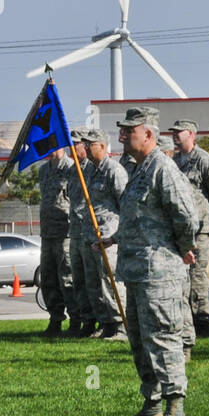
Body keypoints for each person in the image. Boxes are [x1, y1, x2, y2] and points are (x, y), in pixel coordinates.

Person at [102, 107, 198, 416]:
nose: (122, 136)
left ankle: (176, 410)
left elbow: (187, 216)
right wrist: (114, 238)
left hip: (159, 273)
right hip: (137, 271)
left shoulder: (163, 168)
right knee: (141, 340)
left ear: (148, 135)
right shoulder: (139, 170)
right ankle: (152, 404)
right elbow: (139, 219)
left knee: (163, 337)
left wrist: (183, 247)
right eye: (123, 131)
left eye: (129, 131)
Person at [171, 120, 209, 343]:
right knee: (183, 277)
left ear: (191, 134)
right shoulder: (175, 161)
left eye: (178, 132)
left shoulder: (204, 160)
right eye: (173, 132)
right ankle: (186, 318)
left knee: (197, 275)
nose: (174, 136)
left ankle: (202, 320)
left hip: (201, 227)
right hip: (182, 229)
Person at [83, 129, 128, 341]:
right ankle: (107, 323)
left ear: (102, 146)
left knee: (111, 281)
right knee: (95, 283)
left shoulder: (114, 170)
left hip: (108, 235)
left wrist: (117, 234)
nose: (85, 148)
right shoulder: (92, 171)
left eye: (90, 144)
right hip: (91, 235)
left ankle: (121, 324)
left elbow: (124, 204)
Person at [37, 147, 78, 336]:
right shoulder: (44, 170)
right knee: (48, 279)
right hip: (47, 233)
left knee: (67, 279)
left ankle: (77, 320)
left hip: (65, 233)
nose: (48, 147)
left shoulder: (71, 168)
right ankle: (55, 319)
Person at [66, 129, 96, 336]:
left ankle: (103, 320)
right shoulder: (73, 169)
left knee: (94, 280)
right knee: (78, 280)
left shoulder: (93, 169)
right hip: (76, 232)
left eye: (76, 144)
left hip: (91, 233)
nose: (73, 148)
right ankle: (85, 320)